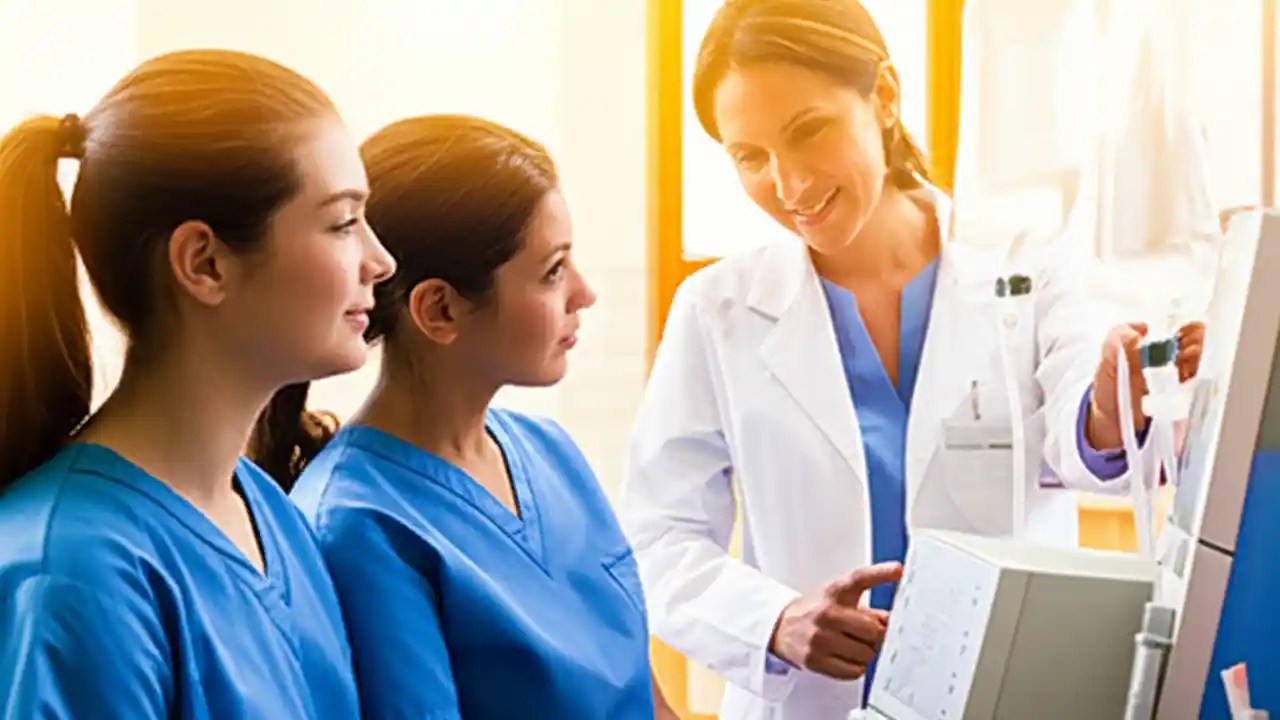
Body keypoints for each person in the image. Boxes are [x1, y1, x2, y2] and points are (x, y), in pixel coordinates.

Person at [618, 1, 1205, 719]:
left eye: (809, 131)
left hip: (1007, 692)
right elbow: (659, 538)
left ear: (884, 98)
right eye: (751, 158)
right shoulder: (718, 310)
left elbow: (1078, 428)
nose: (789, 182)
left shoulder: (1026, 263)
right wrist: (774, 620)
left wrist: (1110, 412)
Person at [0, 49, 396, 718]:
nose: (380, 262)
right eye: (341, 223)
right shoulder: (73, 572)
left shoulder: (269, 514)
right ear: (204, 263)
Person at [284, 115, 678, 720]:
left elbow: (643, 698)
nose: (584, 293)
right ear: (440, 310)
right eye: (552, 272)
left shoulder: (551, 453)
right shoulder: (359, 528)